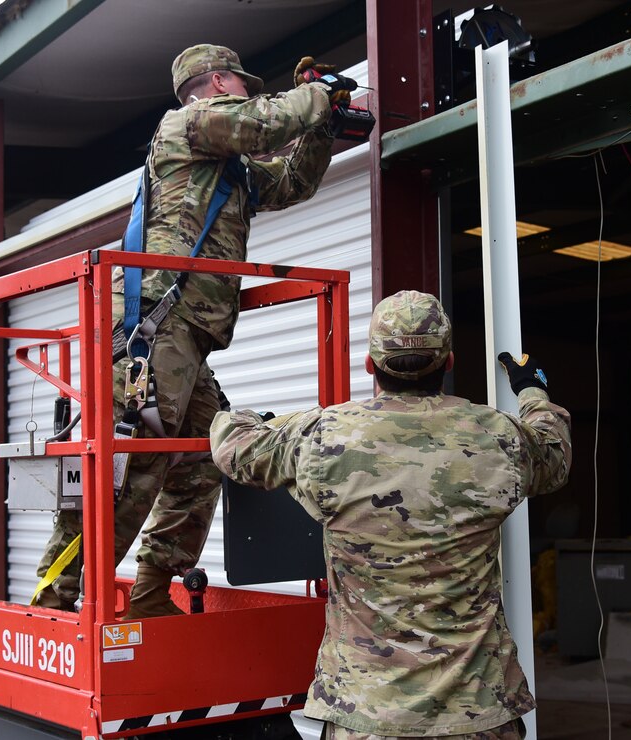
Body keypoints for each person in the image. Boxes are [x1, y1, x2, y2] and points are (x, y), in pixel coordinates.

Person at [35, 44, 345, 616]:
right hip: (160, 323)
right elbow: (266, 121)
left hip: (187, 333)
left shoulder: (229, 163)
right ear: (219, 81)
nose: (250, 93)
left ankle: (152, 593)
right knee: (133, 461)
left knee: (205, 455)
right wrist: (317, 95)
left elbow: (292, 183)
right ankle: (55, 601)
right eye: (242, 85)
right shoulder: (189, 124)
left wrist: (324, 122)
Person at [210, 290, 572, 739]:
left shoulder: (324, 435)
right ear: (450, 362)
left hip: (366, 716)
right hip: (478, 715)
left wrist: (239, 416)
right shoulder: (497, 437)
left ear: (370, 365)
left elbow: (232, 448)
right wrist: (531, 390)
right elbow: (554, 454)